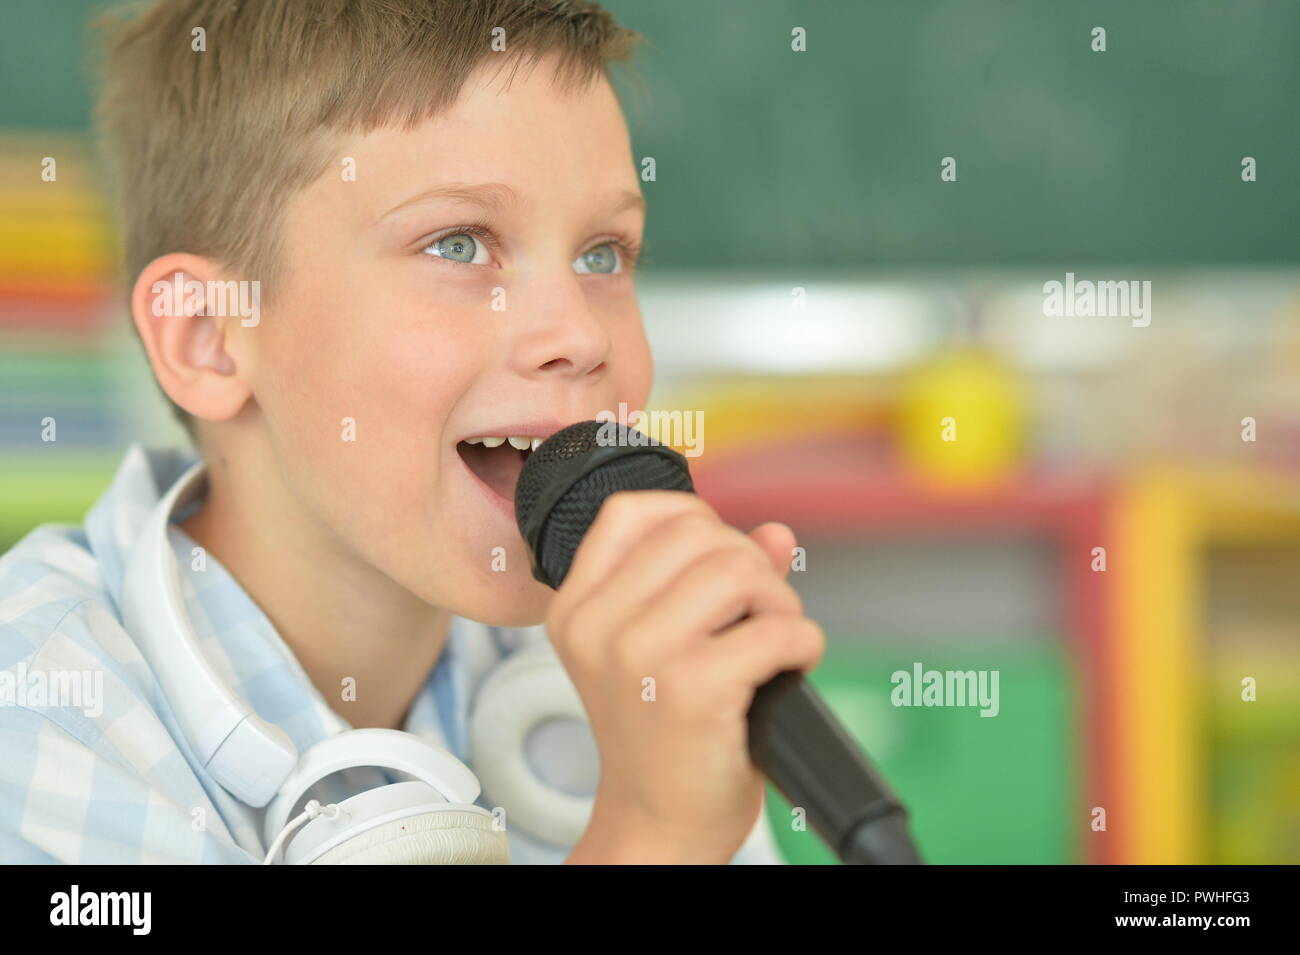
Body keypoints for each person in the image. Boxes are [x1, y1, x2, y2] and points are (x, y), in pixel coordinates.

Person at [0, 0, 824, 864]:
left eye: (603, 255)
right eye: (461, 244)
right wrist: (652, 836)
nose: (581, 334)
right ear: (207, 335)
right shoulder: (40, 718)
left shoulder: (619, 660)